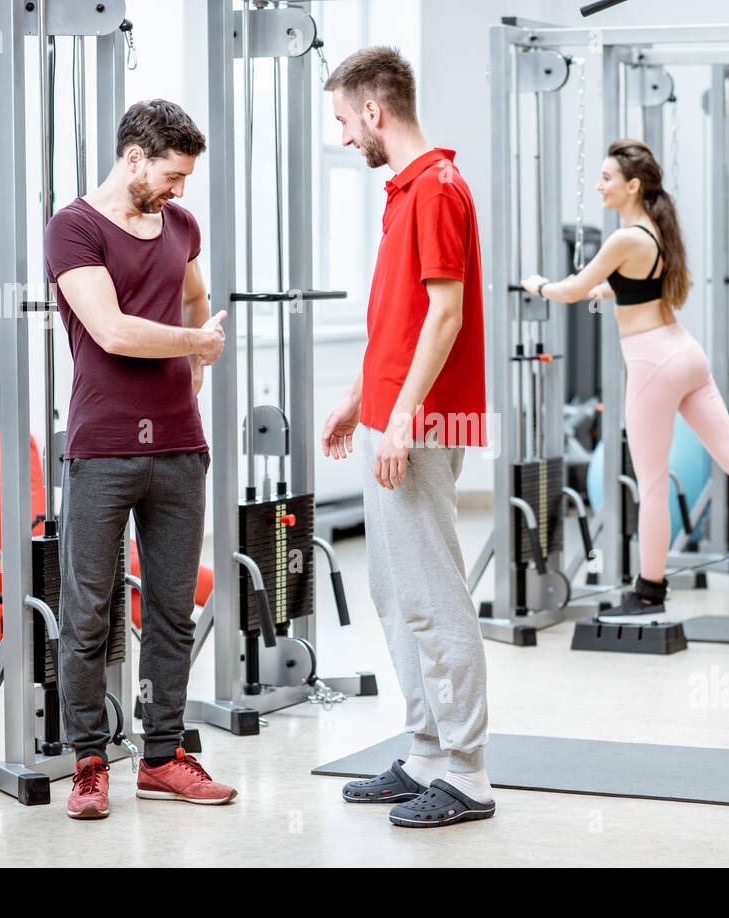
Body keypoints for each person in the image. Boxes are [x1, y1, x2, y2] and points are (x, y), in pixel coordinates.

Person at [522, 138, 729, 623]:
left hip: (653, 364)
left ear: (632, 186)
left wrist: (537, 285)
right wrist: (606, 293)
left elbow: (571, 291)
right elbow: (629, 286)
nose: (599, 185)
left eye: (607, 178)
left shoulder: (623, 237)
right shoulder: (654, 232)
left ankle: (649, 592)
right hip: (686, 354)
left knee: (651, 484)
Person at [44, 99, 237, 819]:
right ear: (133, 158)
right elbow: (114, 330)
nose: (180, 190)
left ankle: (161, 756)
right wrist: (197, 347)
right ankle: (89, 761)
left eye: (187, 177)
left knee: (171, 612)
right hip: (102, 447)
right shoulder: (75, 228)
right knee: (89, 612)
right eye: (171, 174)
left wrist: (196, 370)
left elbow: (195, 297)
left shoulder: (181, 224)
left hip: (181, 449)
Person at [319, 47, 496, 828]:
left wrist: (399, 418)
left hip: (418, 426)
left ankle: (468, 770)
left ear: (374, 111)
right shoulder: (403, 191)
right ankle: (426, 748)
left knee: (430, 591)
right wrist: (358, 401)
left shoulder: (438, 189)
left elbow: (447, 314)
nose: (345, 139)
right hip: (391, 420)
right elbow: (398, 320)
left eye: (344, 123)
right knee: (396, 591)